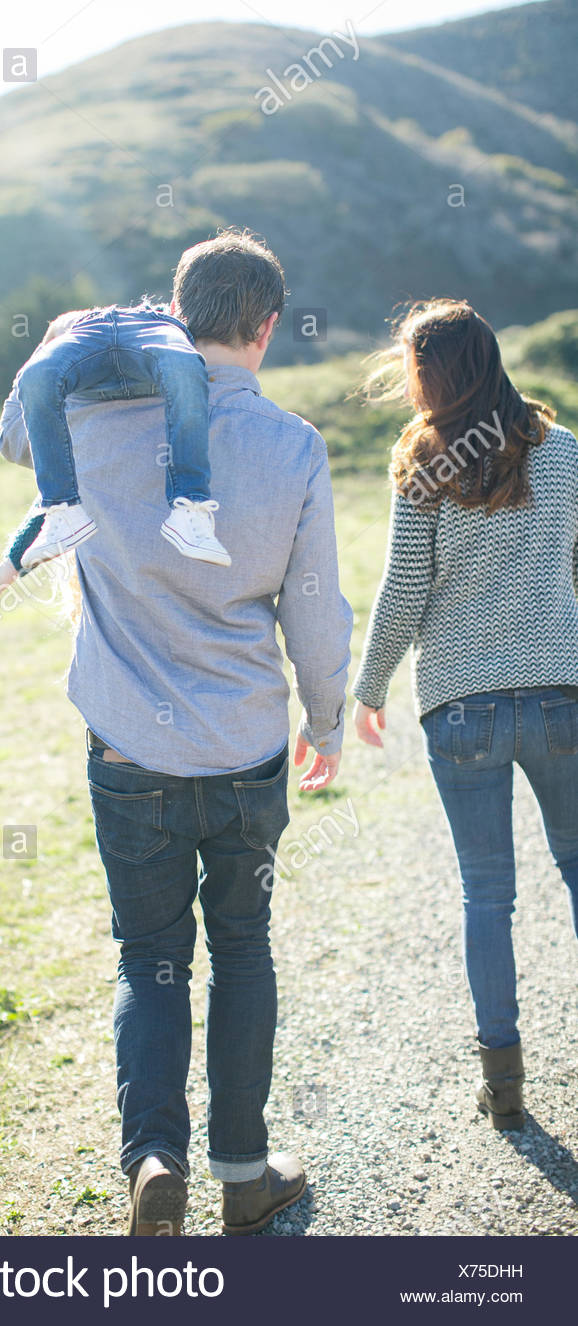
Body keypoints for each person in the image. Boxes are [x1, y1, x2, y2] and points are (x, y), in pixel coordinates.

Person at [0, 228, 353, 1234]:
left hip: (128, 753)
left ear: (172, 316)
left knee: (148, 956)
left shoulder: (89, 419)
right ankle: (243, 1175)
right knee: (242, 949)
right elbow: (316, 615)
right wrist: (325, 718)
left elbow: (13, 435)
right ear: (267, 327)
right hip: (246, 751)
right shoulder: (292, 446)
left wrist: (67, 337)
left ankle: (154, 1157)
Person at [352, 298, 578, 1131]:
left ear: (432, 376)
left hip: (461, 707)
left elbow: (403, 590)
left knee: (487, 894)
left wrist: (369, 688)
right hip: (562, 697)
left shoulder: (424, 463)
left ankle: (504, 1083)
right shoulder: (566, 452)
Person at [3, 302, 231, 569]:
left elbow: (10, 437)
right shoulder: (72, 424)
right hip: (92, 327)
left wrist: (43, 351)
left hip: (147, 322)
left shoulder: (76, 417)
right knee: (35, 376)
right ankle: (63, 511)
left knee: (185, 366)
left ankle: (191, 504)